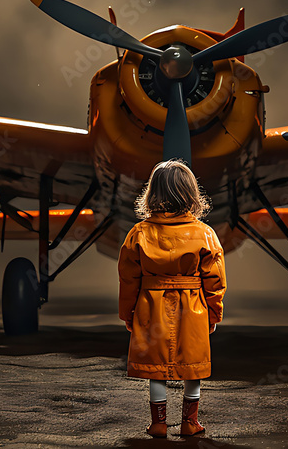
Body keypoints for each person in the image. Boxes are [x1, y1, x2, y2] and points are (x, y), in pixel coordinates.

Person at [118, 159, 227, 438]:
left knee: (156, 369)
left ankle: (158, 424)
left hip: (150, 307)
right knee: (193, 368)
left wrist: (127, 314)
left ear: (152, 194)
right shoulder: (205, 234)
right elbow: (215, 280)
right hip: (193, 308)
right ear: (191, 194)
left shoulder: (138, 233)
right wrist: (214, 313)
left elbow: (128, 279)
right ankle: (190, 423)